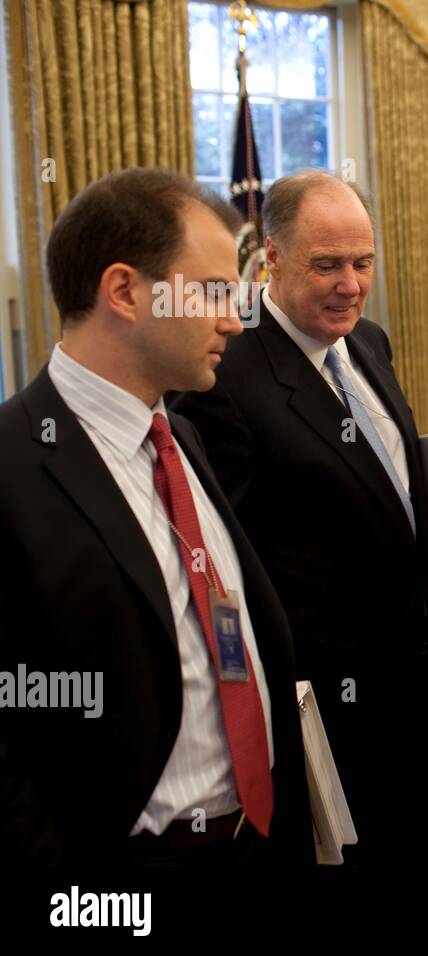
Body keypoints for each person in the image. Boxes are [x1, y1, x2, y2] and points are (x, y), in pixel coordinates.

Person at [0, 168, 312, 865]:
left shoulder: (183, 439)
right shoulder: (13, 466)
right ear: (124, 292)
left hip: (257, 834)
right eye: (211, 292)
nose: (235, 317)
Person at [171, 170, 428, 866]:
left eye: (363, 263)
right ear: (270, 257)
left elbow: (386, 485)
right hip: (324, 707)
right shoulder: (226, 376)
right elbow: (228, 567)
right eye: (328, 265)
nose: (350, 283)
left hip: (413, 683)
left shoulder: (369, 340)